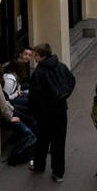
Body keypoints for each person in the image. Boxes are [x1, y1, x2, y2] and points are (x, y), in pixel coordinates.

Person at [28, 43, 75, 180]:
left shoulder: (38, 73)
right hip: (60, 110)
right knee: (59, 142)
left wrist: (35, 112)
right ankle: (58, 172)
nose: (34, 57)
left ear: (41, 56)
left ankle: (39, 165)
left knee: (42, 140)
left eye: (35, 55)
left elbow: (34, 96)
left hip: (45, 114)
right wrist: (64, 95)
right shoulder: (60, 66)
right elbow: (71, 80)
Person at [0, 82, 36, 166]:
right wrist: (10, 117)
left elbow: (5, 104)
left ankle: (35, 142)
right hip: (9, 112)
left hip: (10, 108)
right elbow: (4, 106)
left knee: (29, 114)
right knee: (28, 123)